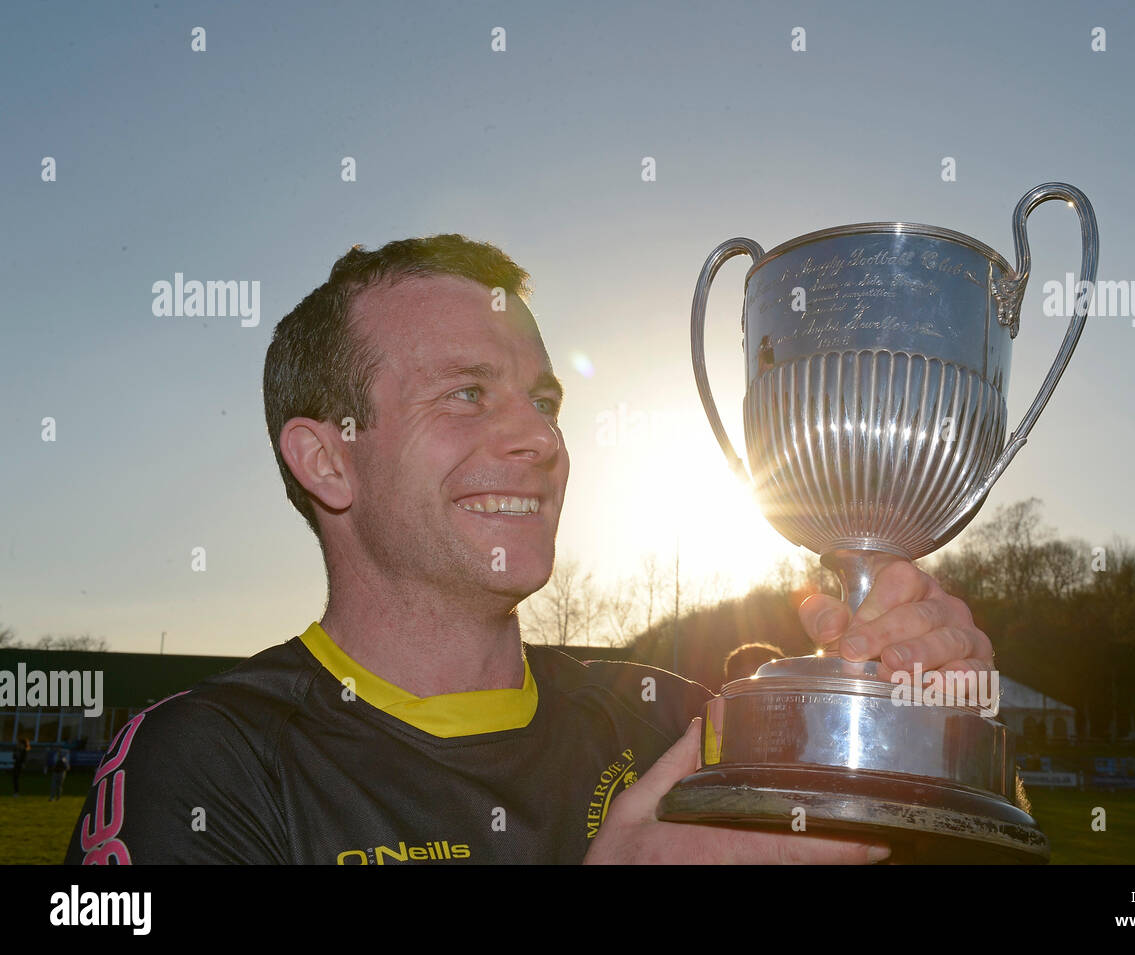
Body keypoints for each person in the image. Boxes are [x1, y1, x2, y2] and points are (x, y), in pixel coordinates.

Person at [64, 235, 994, 865]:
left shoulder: (673, 723)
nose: (541, 441)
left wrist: (928, 723)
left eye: (544, 402)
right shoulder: (202, 760)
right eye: (467, 393)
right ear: (327, 458)